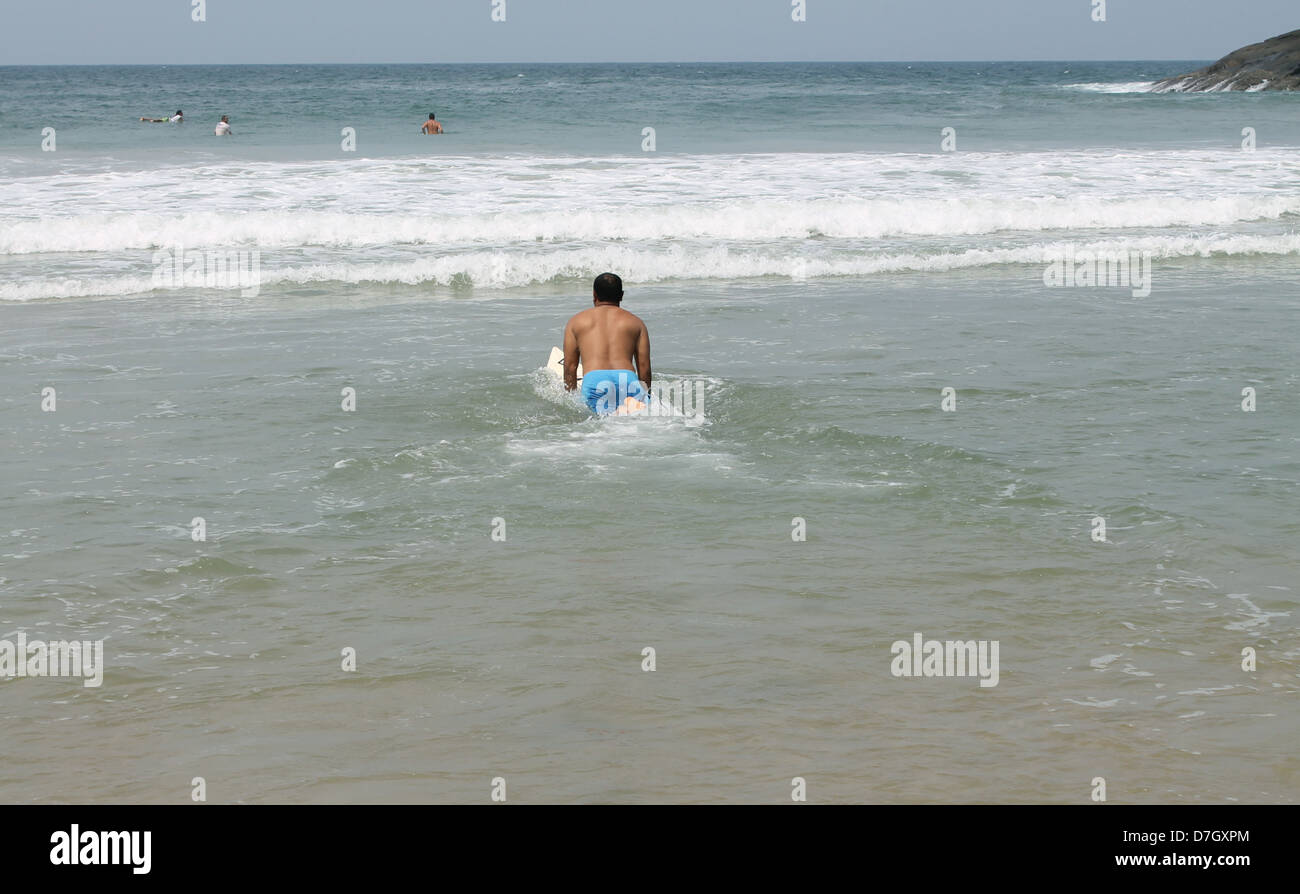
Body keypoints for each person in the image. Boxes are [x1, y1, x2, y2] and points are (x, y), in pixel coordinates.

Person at [562, 273, 651, 415]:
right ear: (621, 295)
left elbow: (570, 368)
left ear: (594, 294)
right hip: (627, 380)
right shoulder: (636, 323)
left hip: (595, 381)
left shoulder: (576, 322)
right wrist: (646, 397)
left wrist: (570, 400)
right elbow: (644, 368)